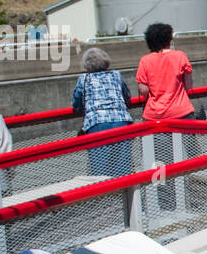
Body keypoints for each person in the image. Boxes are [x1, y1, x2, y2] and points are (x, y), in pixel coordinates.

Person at [72, 47, 134, 177]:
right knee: (123, 170)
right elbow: (127, 97)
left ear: (87, 65)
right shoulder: (116, 75)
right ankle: (125, 196)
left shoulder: (83, 79)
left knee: (101, 173)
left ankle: (107, 197)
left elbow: (77, 103)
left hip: (96, 124)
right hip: (121, 121)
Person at [136, 23, 195, 121]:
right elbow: (188, 85)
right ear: (169, 38)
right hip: (181, 111)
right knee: (186, 137)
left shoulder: (145, 61)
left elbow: (144, 91)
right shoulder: (180, 56)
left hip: (155, 115)